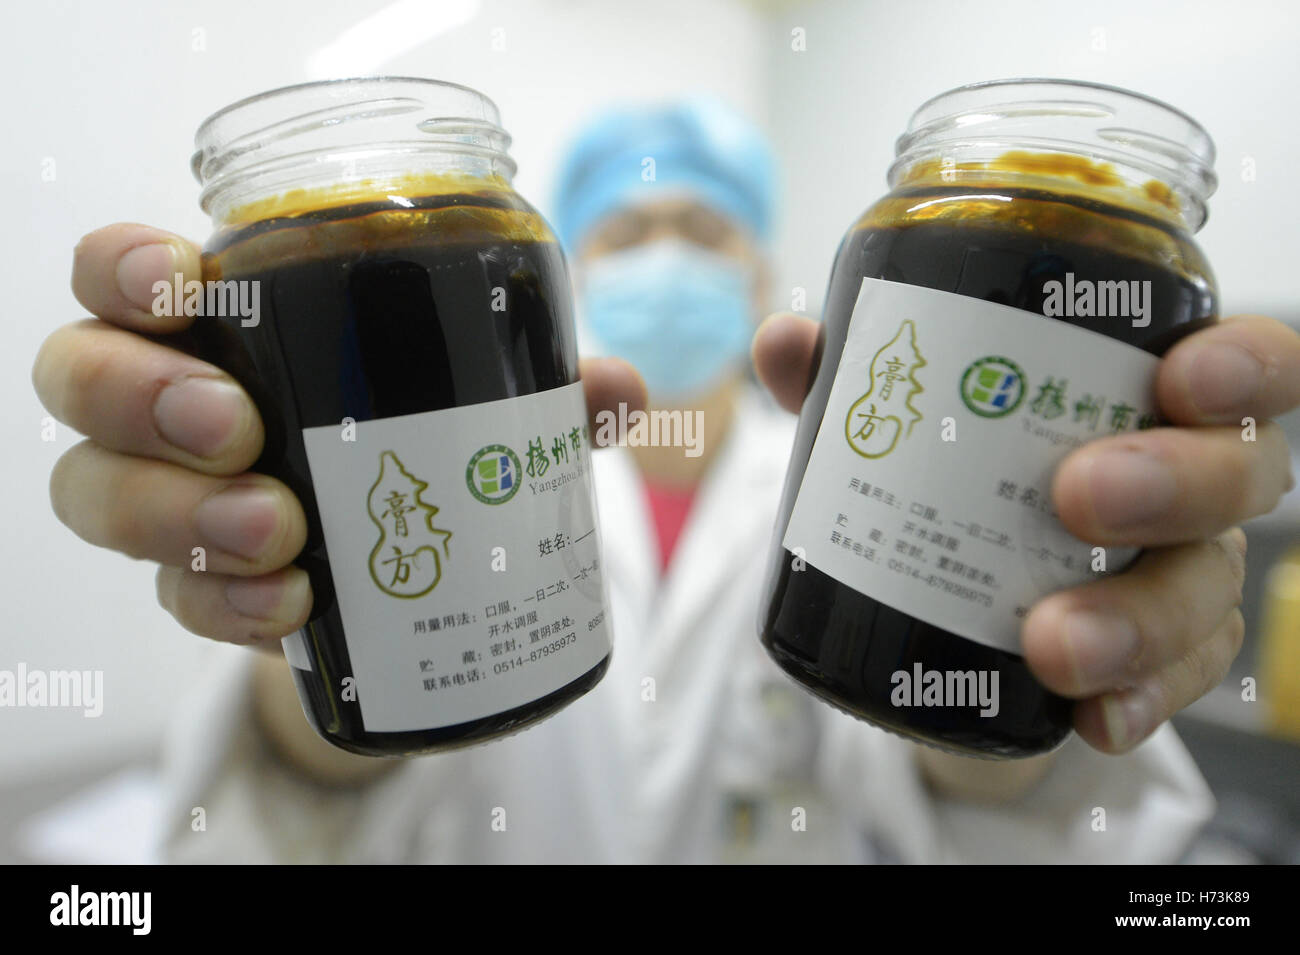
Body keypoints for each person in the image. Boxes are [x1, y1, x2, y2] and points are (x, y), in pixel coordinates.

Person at [33, 99, 1299, 863]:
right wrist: (289, 635)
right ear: (545, 287)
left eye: (707, 229)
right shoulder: (450, 470)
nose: (668, 255)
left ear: (764, 280)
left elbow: (987, 808)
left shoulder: (861, 481)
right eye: (629, 232)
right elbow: (279, 817)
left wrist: (1058, 680)